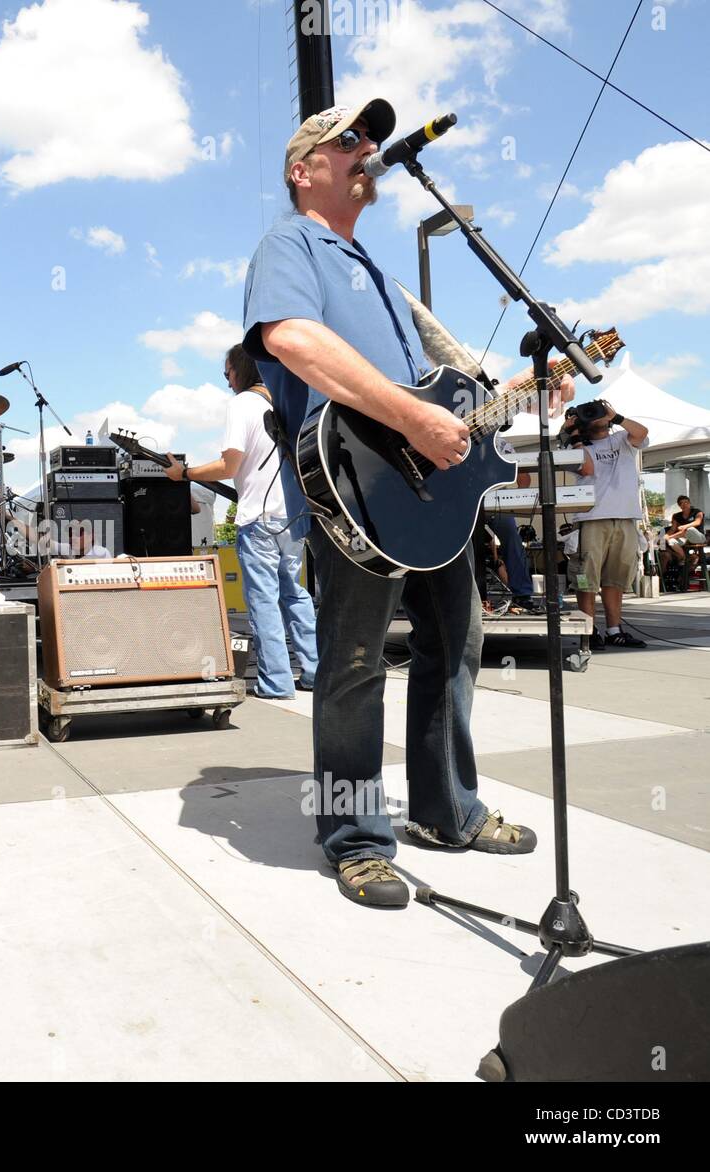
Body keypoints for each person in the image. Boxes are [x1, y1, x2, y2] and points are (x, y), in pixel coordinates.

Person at [241, 99, 568, 907]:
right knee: (353, 667)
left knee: (454, 642)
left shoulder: (379, 275)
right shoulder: (291, 243)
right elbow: (289, 340)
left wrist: (523, 393)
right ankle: (354, 837)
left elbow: (451, 395)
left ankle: (447, 810)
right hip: (355, 490)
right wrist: (414, 417)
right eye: (348, 138)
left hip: (432, 496)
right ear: (303, 168)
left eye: (373, 140)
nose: (368, 150)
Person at [164, 343, 317, 698]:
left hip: (259, 518)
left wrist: (183, 472)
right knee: (296, 595)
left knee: (263, 600)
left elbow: (229, 466)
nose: (227, 380)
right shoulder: (285, 401)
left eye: (228, 372)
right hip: (292, 516)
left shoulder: (242, 404)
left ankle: (277, 683)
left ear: (242, 370)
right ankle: (314, 673)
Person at [568, 404, 650, 648]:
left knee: (615, 578)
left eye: (598, 412)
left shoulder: (622, 438)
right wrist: (573, 434)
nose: (596, 416)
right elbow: (587, 469)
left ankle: (615, 630)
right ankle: (588, 630)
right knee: (586, 578)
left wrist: (616, 416)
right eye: (589, 414)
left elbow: (642, 433)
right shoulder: (574, 446)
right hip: (592, 518)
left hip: (625, 517)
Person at [660, 495, 705, 582]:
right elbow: (672, 529)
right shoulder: (676, 516)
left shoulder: (697, 511)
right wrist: (667, 536)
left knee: (689, 529)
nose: (684, 505)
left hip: (697, 537)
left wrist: (684, 526)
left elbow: (697, 522)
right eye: (681, 503)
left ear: (689, 503)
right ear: (679, 506)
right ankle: (685, 558)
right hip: (684, 538)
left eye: (686, 502)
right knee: (670, 541)